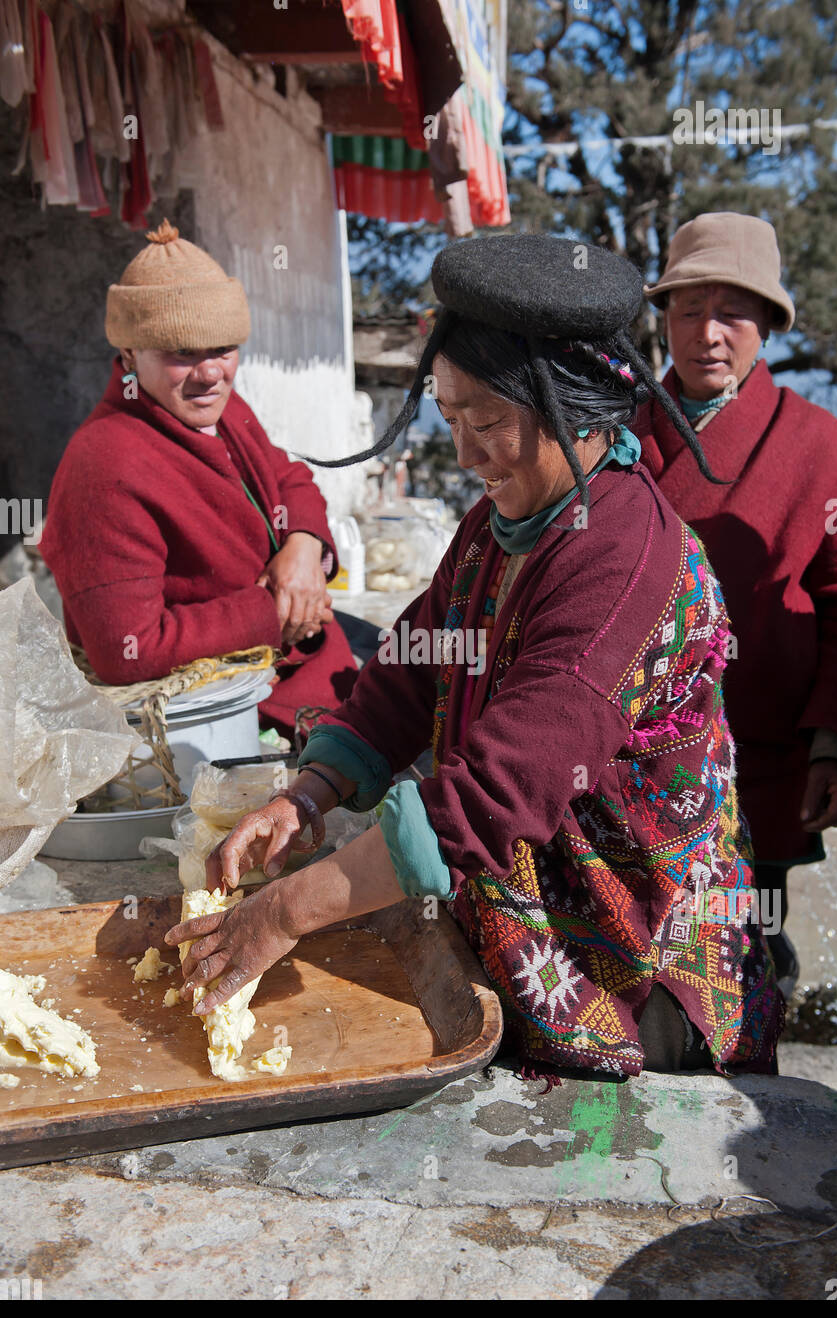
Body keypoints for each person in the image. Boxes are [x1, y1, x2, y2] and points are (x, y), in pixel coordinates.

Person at [167, 235, 783, 1084]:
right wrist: (310, 793)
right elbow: (420, 657)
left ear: (576, 411)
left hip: (638, 963)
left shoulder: (621, 561)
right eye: (449, 419)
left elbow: (500, 793)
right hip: (533, 925)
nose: (463, 455)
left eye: (488, 422)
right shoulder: (506, 521)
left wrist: (283, 914)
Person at [636, 212, 837, 996]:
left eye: (731, 311)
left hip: (757, 761)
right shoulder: (619, 433)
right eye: (688, 309)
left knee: (743, 945)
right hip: (623, 754)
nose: (708, 333)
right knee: (639, 945)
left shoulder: (816, 441)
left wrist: (836, 740)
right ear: (663, 319)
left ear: (766, 323)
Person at [39, 220, 357, 734]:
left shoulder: (219, 412)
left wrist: (302, 549)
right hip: (211, 723)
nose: (210, 374)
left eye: (222, 350)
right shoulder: (104, 468)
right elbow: (130, 650)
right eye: (180, 354)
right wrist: (276, 608)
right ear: (128, 356)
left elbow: (289, 475)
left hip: (294, 675)